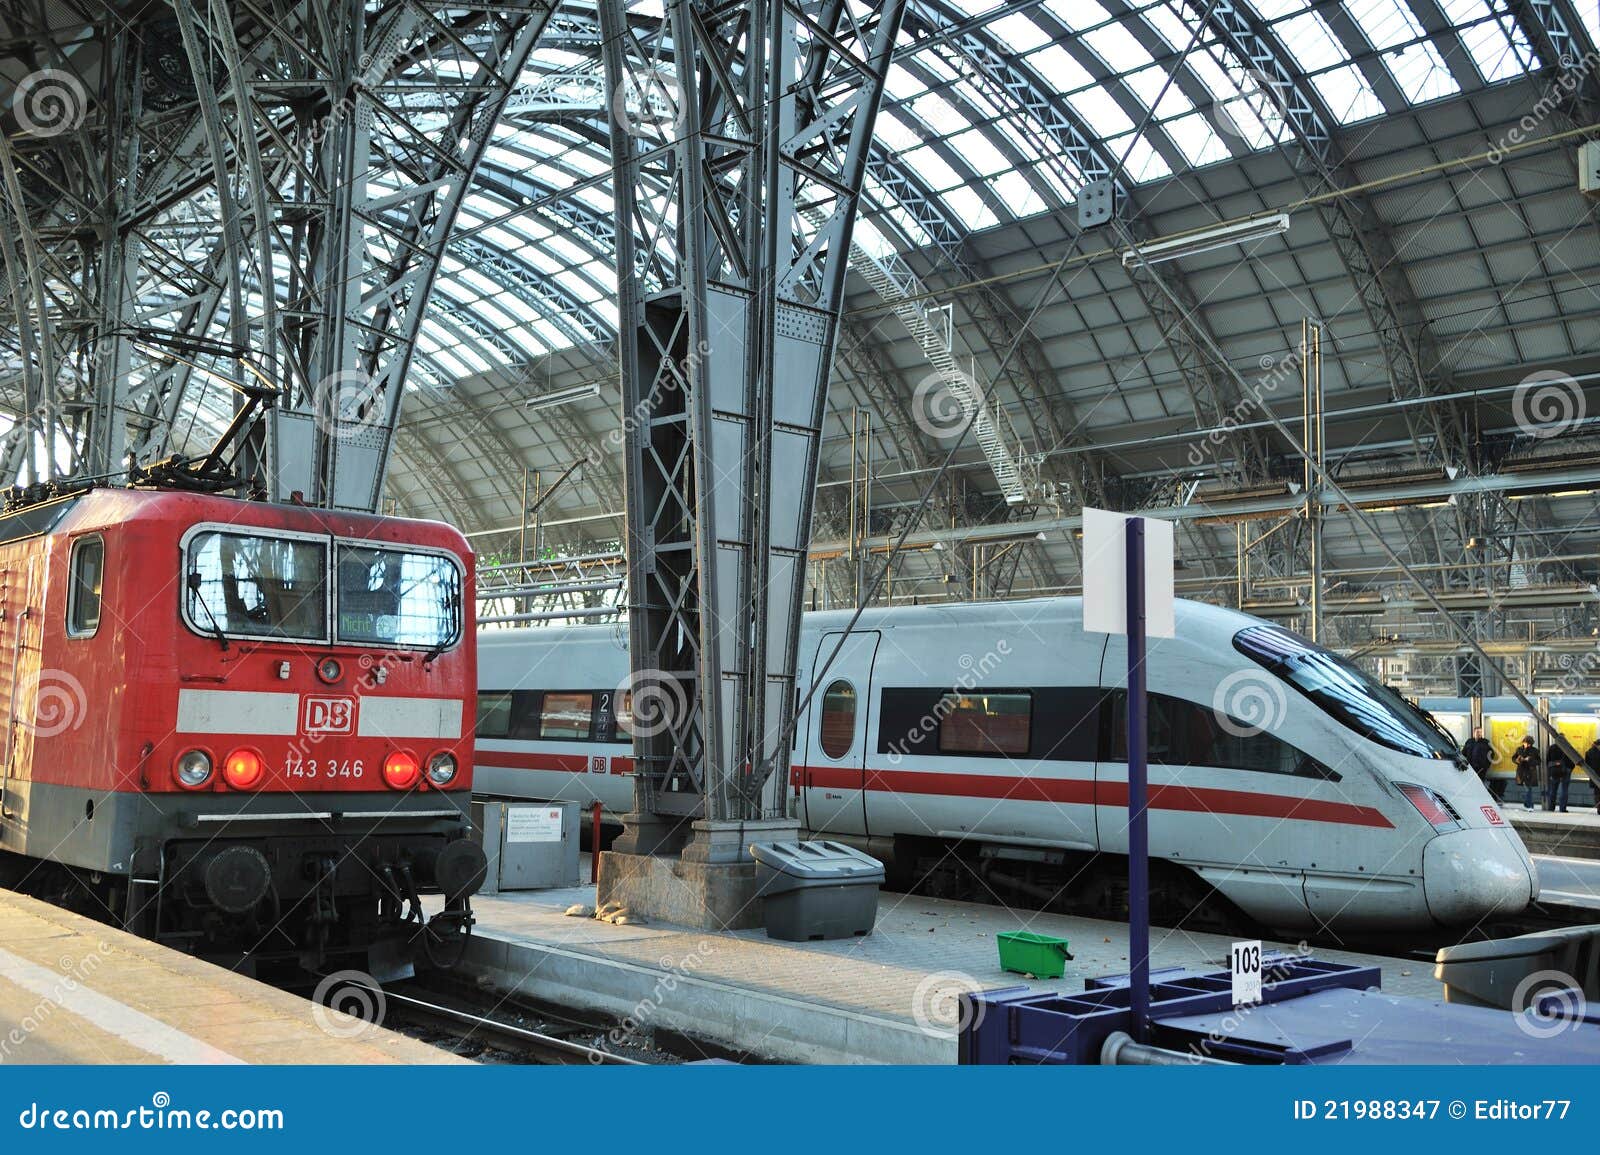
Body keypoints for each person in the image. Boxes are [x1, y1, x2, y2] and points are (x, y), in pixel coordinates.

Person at [1513, 735, 1540, 810]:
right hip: (1521, 771)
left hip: (1530, 772)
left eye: (1529, 744)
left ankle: (1530, 805)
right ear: (1523, 742)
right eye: (1526, 743)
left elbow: (1538, 762)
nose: (1528, 745)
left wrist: (1530, 760)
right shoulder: (1519, 749)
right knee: (1527, 788)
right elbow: (1514, 758)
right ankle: (1528, 804)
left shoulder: (1535, 750)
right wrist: (1518, 760)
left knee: (1529, 788)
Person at [1546, 739, 1573, 813]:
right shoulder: (1567, 747)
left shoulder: (1552, 747)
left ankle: (1551, 807)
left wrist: (1551, 770)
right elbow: (1572, 759)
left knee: (1553, 789)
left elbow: (1548, 760)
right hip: (1565, 770)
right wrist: (1570, 769)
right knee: (1564, 789)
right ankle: (1562, 808)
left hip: (1554, 770)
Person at [1588, 739, 1600, 815]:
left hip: (1593, 775)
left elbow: (1587, 764)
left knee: (1596, 793)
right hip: (1597, 775)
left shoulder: (1589, 752)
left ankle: (1598, 808)